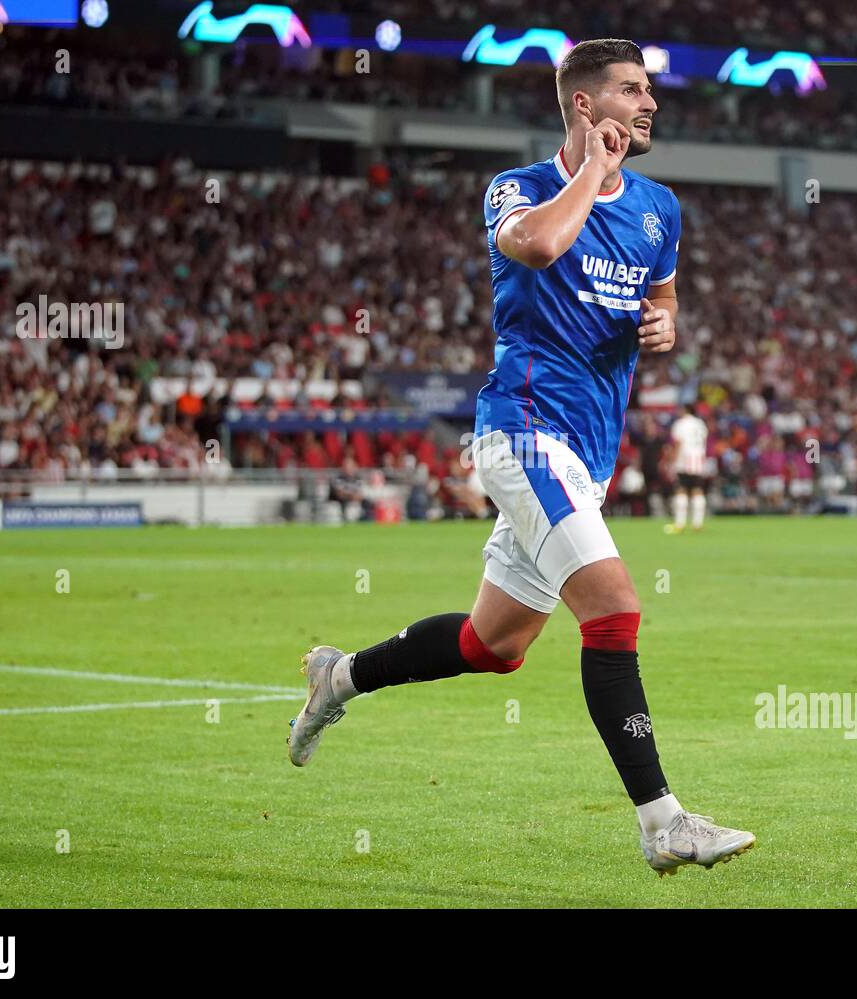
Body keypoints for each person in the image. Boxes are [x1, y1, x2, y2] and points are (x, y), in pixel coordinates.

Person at [286, 39, 755, 876]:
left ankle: (340, 676)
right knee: (613, 610)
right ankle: (663, 822)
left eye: (649, 89)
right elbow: (535, 246)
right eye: (631, 90)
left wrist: (665, 321)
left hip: (589, 455)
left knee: (493, 644)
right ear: (584, 105)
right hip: (522, 431)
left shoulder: (660, 207)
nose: (650, 103)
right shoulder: (519, 187)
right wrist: (593, 170)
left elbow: (664, 291)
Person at [665, 404, 709, 533]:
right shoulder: (701, 424)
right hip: (698, 461)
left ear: (685, 410)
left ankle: (680, 524)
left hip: (684, 460)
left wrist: (673, 460)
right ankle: (697, 524)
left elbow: (678, 443)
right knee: (697, 490)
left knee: (681, 489)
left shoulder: (680, 424)